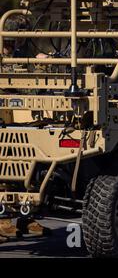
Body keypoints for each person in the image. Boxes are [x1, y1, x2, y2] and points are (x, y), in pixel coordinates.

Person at [0, 15, 52, 243]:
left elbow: (30, 90)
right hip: (6, 117)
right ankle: (3, 222)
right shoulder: (5, 56)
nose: (19, 44)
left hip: (19, 119)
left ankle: (24, 218)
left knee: (28, 172)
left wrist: (41, 64)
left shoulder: (19, 54)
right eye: (16, 38)